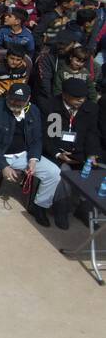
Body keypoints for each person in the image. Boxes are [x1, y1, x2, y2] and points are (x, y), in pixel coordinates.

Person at [0, 83, 61, 228]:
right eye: (13, 99)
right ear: (7, 96)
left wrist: (33, 159)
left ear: (28, 99)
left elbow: (37, 138)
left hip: (22, 154)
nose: (16, 103)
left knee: (53, 172)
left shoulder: (34, 111)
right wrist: (4, 166)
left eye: (21, 100)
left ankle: (40, 207)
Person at [44, 77, 101, 227]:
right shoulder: (51, 106)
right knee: (64, 174)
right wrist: (57, 154)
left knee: (91, 174)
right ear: (64, 95)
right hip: (57, 153)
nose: (81, 101)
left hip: (80, 153)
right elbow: (45, 137)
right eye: (76, 98)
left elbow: (92, 134)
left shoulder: (91, 109)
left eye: (83, 97)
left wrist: (91, 154)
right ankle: (61, 210)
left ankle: (84, 209)